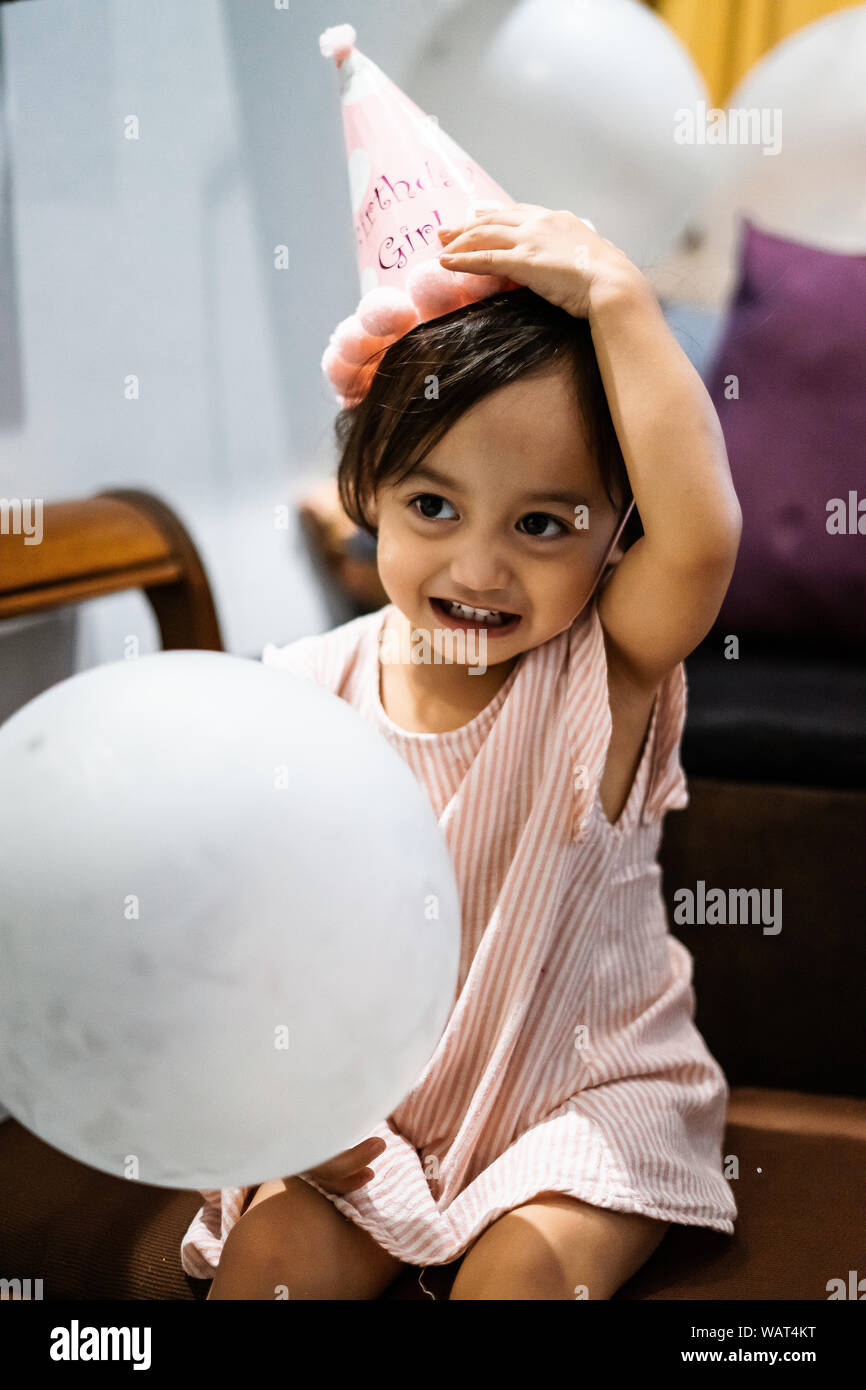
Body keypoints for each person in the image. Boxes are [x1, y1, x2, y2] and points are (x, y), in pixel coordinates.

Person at [180, 206, 742, 1299]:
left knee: (515, 1283)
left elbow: (702, 534)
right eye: (432, 506)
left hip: (579, 1094)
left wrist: (620, 302)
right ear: (365, 498)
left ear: (615, 530)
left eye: (542, 524)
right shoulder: (301, 694)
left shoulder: (600, 669)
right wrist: (287, 1098)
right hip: (375, 1106)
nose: (479, 569)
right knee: (274, 1262)